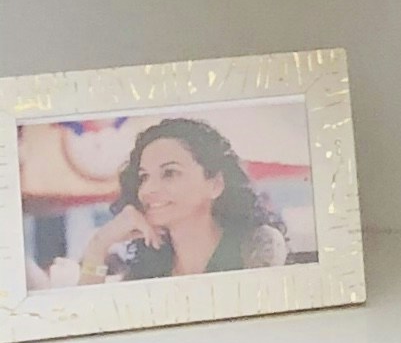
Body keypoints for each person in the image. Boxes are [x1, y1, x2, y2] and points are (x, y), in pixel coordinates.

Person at [77, 118, 292, 280]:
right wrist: (99, 245)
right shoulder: (149, 268)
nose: (148, 189)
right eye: (144, 177)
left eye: (169, 173)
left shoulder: (256, 246)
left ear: (215, 184)